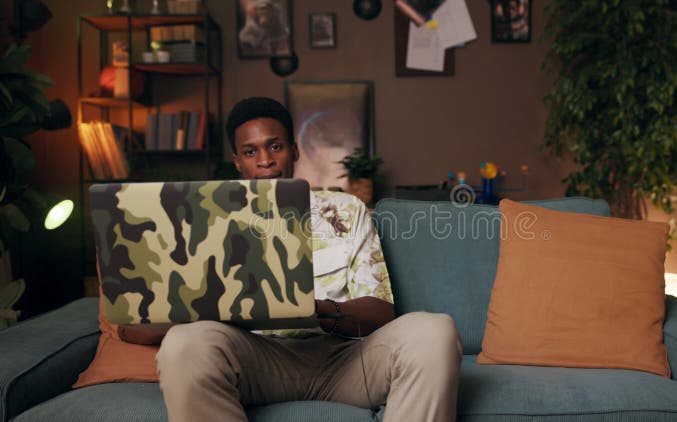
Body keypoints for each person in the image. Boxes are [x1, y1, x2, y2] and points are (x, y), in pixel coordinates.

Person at [156, 97, 463, 422]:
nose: (265, 161)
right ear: (237, 161)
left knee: (435, 331)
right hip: (255, 362)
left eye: (275, 147)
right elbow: (135, 329)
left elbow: (382, 313)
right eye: (250, 152)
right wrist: (217, 307)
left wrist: (319, 310)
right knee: (183, 343)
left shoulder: (345, 209)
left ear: (295, 150)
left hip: (343, 361)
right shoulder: (209, 219)